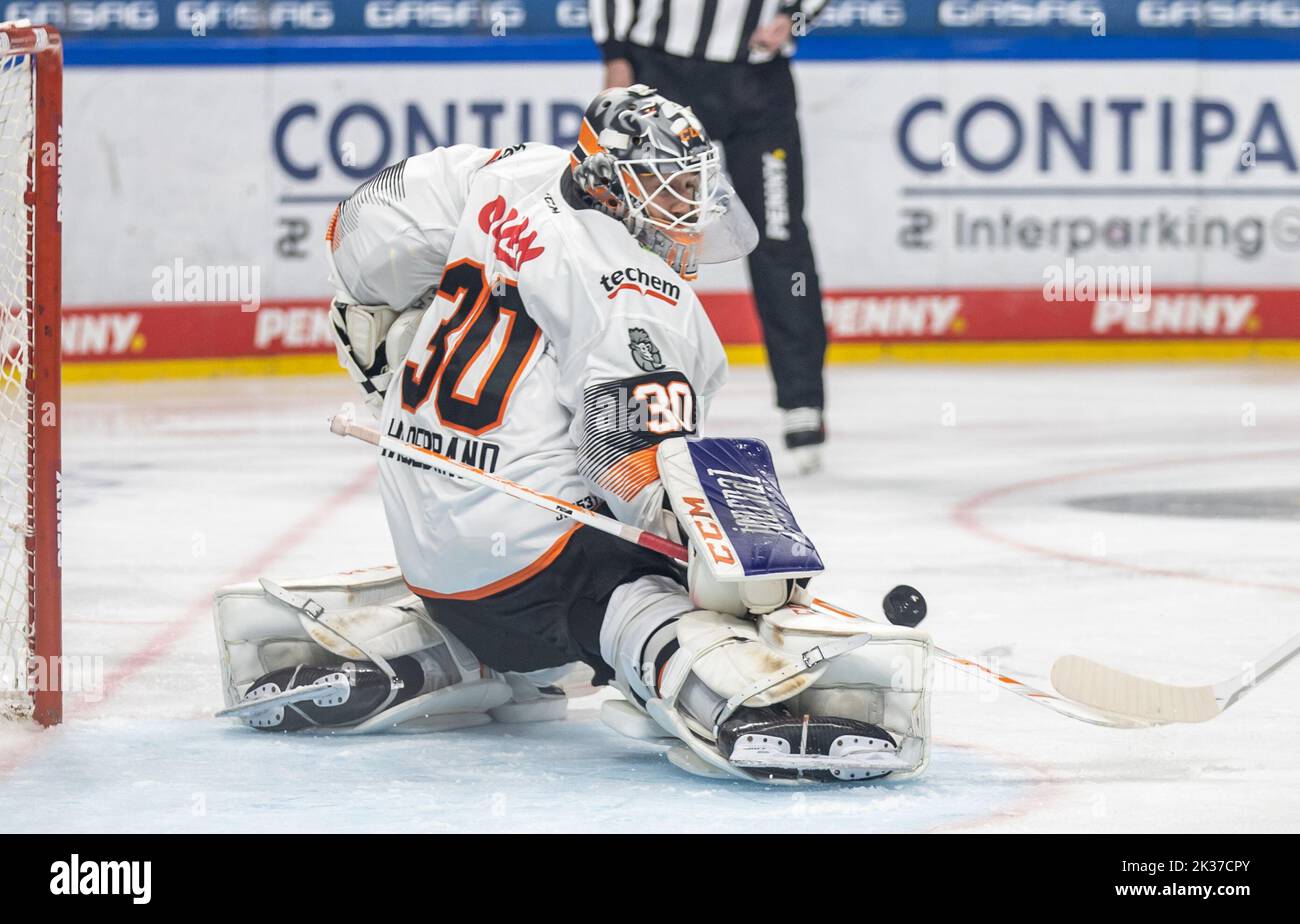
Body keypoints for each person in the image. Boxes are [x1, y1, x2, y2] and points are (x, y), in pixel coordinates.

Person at [212, 86, 927, 783]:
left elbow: (361, 227)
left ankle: (447, 644)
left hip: (422, 535)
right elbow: (632, 469)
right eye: (669, 193)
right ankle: (708, 680)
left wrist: (379, 334)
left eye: (693, 188)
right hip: (526, 570)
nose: (690, 214)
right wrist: (743, 571)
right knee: (652, 580)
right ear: (611, 187)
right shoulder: (642, 295)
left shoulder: (506, 172)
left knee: (552, 526)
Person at [590, 0, 830, 473]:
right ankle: (630, 387)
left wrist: (796, 18)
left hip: (758, 79)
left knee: (778, 235)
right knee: (640, 230)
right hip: (661, 68)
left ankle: (802, 398)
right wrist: (615, 54)